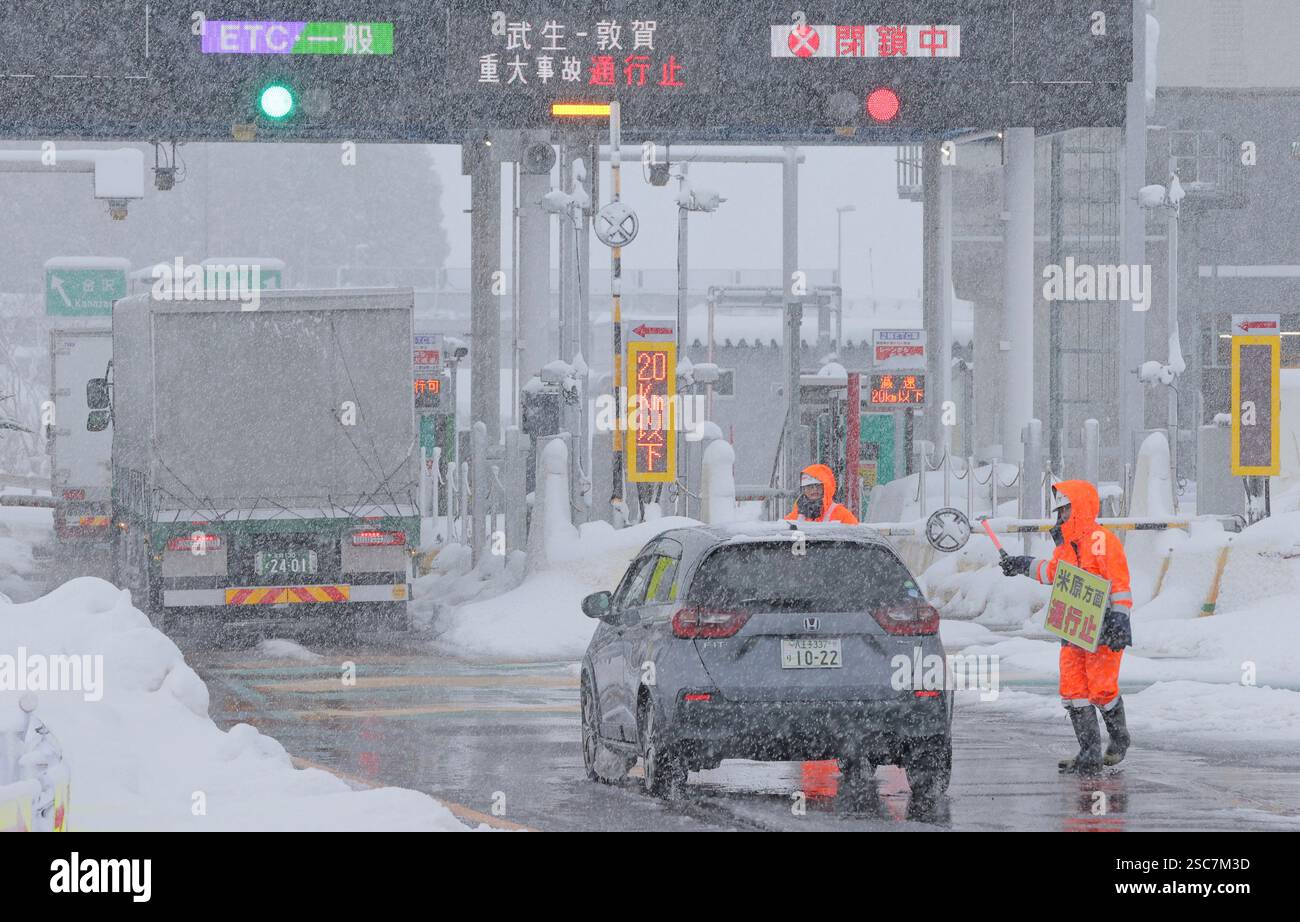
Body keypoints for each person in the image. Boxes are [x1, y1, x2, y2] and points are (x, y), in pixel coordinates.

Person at [999, 479, 1132, 775]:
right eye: (1059, 510)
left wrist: (1121, 619)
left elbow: (1120, 584)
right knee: (1073, 690)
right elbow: (1052, 572)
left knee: (1101, 689)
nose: (1060, 515)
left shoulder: (1103, 540)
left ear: (1079, 507)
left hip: (1105, 626)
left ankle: (1119, 738)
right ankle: (1089, 753)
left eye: (1065, 509)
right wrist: (1021, 564)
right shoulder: (1066, 547)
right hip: (1074, 628)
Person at [784, 463, 858, 524]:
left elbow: (856, 536)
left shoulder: (842, 515)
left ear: (826, 487)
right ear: (803, 489)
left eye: (818, 485)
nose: (814, 490)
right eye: (809, 486)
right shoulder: (795, 516)